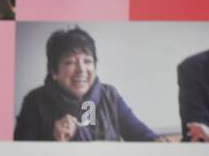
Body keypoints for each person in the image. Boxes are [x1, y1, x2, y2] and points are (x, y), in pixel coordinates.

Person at [14, 27, 159, 142]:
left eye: (88, 61)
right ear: (54, 71)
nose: (81, 70)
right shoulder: (34, 101)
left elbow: (140, 134)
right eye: (70, 62)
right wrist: (53, 140)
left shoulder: (110, 95)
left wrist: (157, 142)